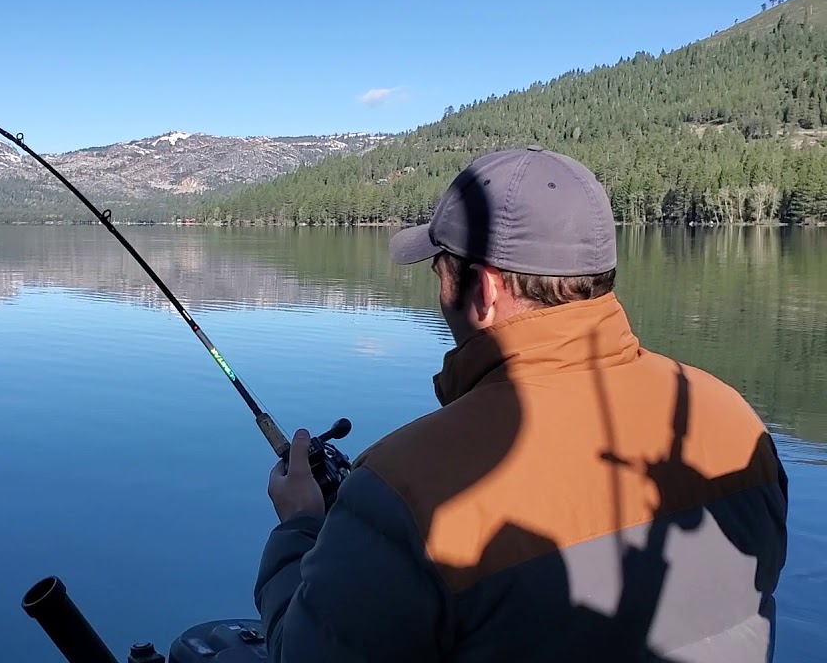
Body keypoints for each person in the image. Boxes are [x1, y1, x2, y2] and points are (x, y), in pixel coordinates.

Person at [255, 146, 789, 662]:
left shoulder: (408, 489)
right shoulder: (736, 421)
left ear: (484, 291)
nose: (438, 294)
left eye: (439, 271)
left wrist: (300, 526)